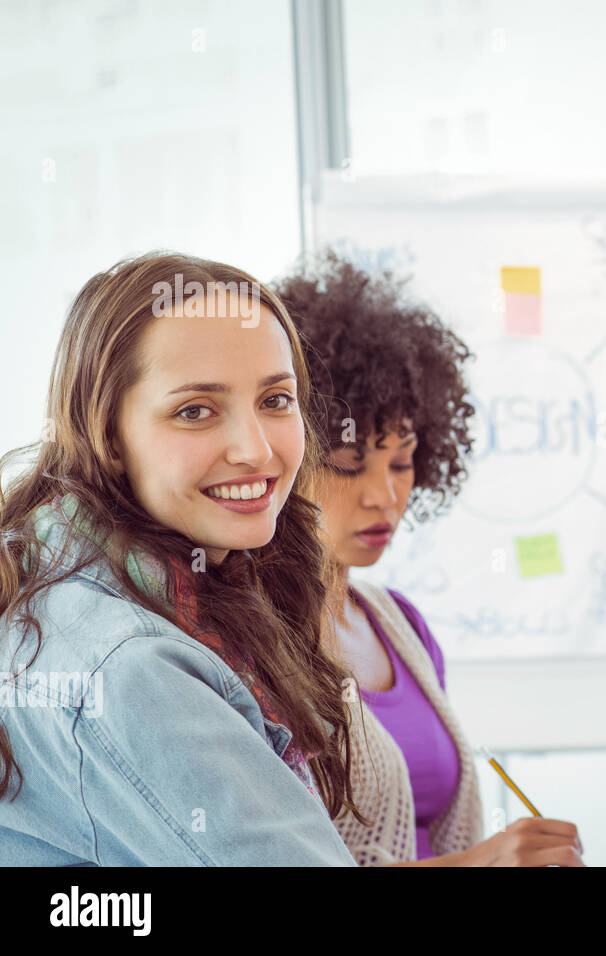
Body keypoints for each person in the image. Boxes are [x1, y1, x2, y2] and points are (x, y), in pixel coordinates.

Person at [0, 252, 359, 864]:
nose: (255, 449)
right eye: (195, 411)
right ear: (107, 436)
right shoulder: (133, 666)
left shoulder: (72, 579)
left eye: (276, 400)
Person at [274, 250, 586, 866]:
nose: (384, 495)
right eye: (349, 464)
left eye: (402, 461)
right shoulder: (254, 642)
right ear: (287, 453)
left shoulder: (402, 627)